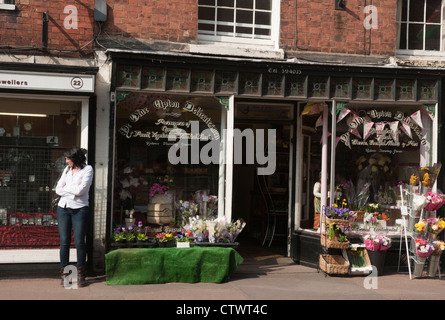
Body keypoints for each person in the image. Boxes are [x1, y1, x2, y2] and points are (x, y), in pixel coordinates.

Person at [56, 147, 93, 287]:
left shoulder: (87, 169)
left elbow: (81, 190)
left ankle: (81, 274)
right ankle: (65, 274)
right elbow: (58, 188)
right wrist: (71, 192)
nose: (66, 161)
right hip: (63, 208)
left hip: (80, 210)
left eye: (68, 159)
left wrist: (67, 190)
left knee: (79, 242)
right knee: (64, 242)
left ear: (76, 159)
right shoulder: (66, 170)